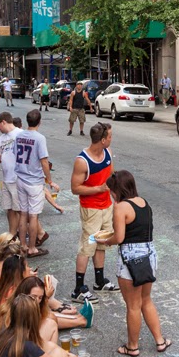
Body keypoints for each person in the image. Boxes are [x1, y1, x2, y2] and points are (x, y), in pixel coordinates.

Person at [96, 170, 170, 357]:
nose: (111, 195)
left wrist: (105, 241)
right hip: (149, 254)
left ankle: (132, 346)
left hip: (130, 258)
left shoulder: (121, 207)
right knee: (146, 300)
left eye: (112, 191)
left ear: (118, 190)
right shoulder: (143, 202)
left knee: (133, 305)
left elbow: (119, 237)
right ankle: (160, 341)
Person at [71, 122, 117, 303]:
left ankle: (99, 281)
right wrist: (99, 189)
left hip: (106, 207)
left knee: (101, 243)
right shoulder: (82, 161)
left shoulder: (108, 153)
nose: (112, 139)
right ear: (103, 140)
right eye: (110, 137)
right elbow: (75, 188)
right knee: (87, 247)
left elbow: (111, 177)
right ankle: (78, 289)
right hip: (91, 210)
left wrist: (116, 197)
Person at [16, 110, 57, 258]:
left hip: (20, 178)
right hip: (34, 181)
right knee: (33, 216)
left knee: (23, 214)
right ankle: (32, 248)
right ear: (39, 122)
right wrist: (49, 179)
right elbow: (44, 161)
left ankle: (22, 245)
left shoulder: (19, 135)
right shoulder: (39, 138)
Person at [0, 112, 23, 237]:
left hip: (18, 177)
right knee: (9, 208)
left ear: (3, 122)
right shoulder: (1, 139)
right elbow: (1, 158)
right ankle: (12, 234)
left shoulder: (20, 134)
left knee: (19, 210)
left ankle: (22, 235)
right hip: (6, 178)